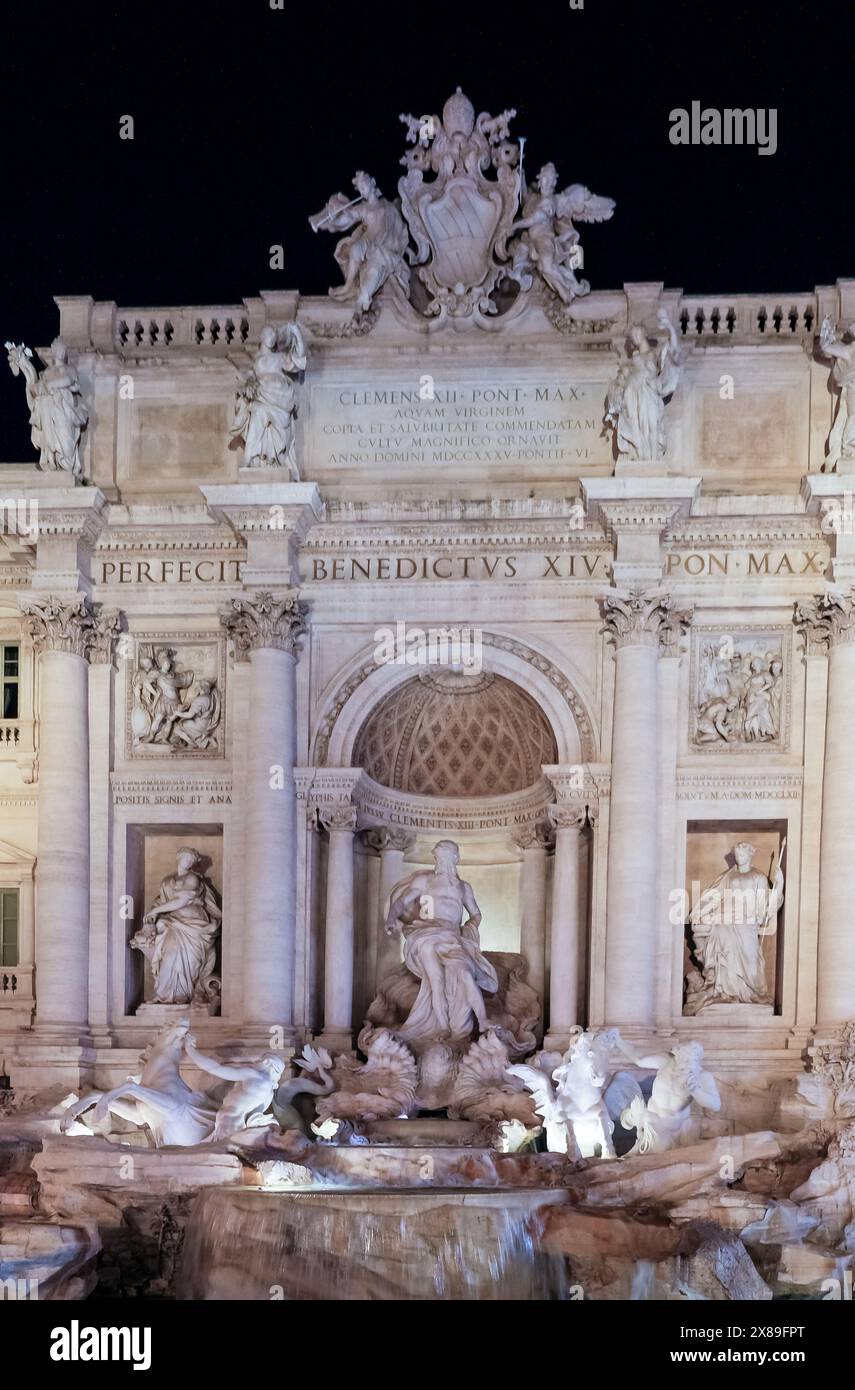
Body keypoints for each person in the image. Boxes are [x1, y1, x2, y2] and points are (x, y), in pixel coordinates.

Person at [384, 840, 498, 1046]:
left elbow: (476, 913)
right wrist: (392, 918)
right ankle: (444, 1027)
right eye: (439, 857)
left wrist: (470, 928)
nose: (443, 861)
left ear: (456, 858)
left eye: (447, 856)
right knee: (435, 982)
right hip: (427, 934)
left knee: (464, 972)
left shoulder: (464, 887)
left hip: (453, 936)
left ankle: (482, 1020)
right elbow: (401, 902)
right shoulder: (425, 880)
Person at [132, 848, 221, 1005]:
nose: (188, 862)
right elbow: (161, 901)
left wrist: (156, 910)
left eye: (191, 860)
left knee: (190, 963)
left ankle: (184, 996)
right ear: (179, 858)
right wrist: (153, 915)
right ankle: (164, 995)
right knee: (170, 955)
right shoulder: (167, 881)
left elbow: (182, 901)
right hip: (172, 923)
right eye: (186, 858)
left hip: (194, 925)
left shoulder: (193, 879)